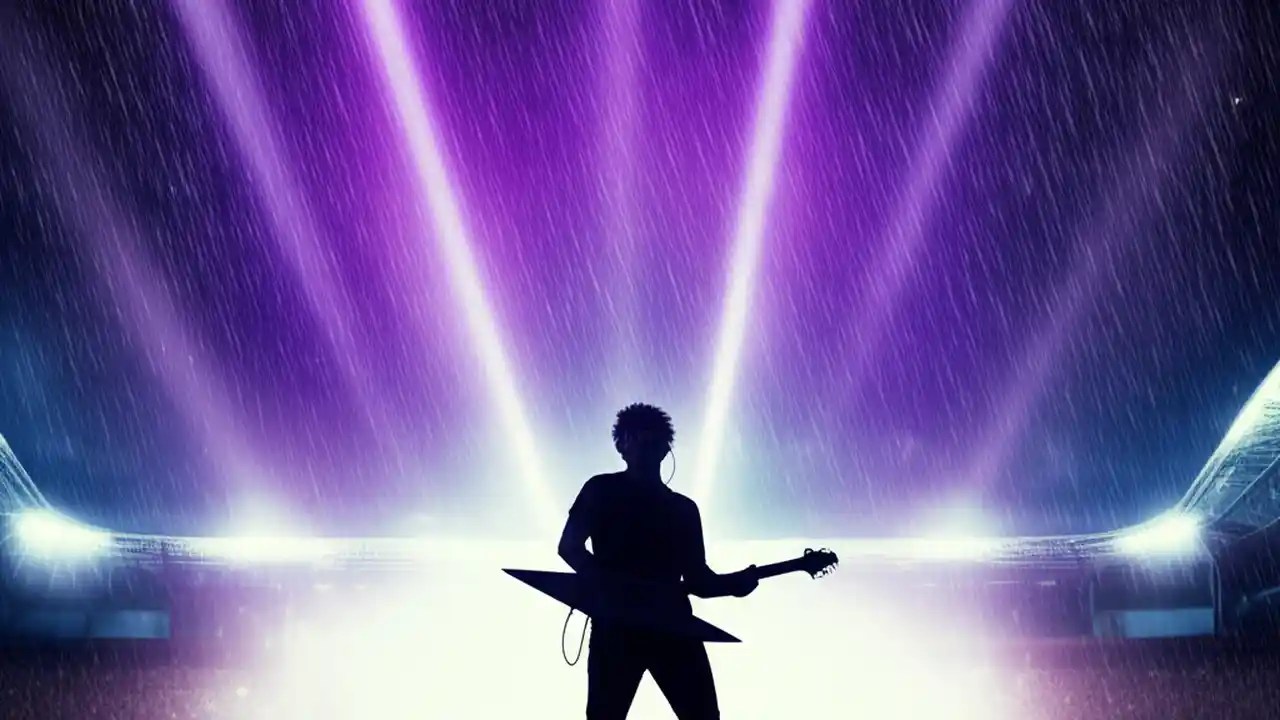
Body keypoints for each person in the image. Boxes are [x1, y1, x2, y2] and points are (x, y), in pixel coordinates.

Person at [558, 402, 758, 719]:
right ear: (621, 446)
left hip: (663, 626)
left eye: (652, 439)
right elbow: (569, 547)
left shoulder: (683, 510)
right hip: (625, 627)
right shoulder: (601, 490)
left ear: (666, 450)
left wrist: (736, 585)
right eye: (637, 437)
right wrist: (611, 588)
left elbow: (697, 581)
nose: (645, 445)